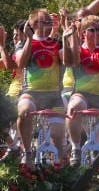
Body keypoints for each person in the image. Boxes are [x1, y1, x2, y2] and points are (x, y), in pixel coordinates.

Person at [62, 15, 99, 167]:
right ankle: (76, 148)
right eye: (93, 30)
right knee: (74, 106)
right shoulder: (78, 50)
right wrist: (65, 40)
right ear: (84, 32)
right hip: (82, 95)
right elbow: (68, 61)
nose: (97, 32)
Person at [15, 9, 64, 164]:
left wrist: (68, 34)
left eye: (51, 21)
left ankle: (62, 166)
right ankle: (27, 152)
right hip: (31, 93)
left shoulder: (57, 43)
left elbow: (70, 62)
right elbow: (20, 63)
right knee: (24, 111)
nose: (50, 24)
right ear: (34, 24)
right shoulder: (23, 43)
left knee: (57, 137)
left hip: (54, 95)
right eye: (46, 21)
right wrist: (29, 39)